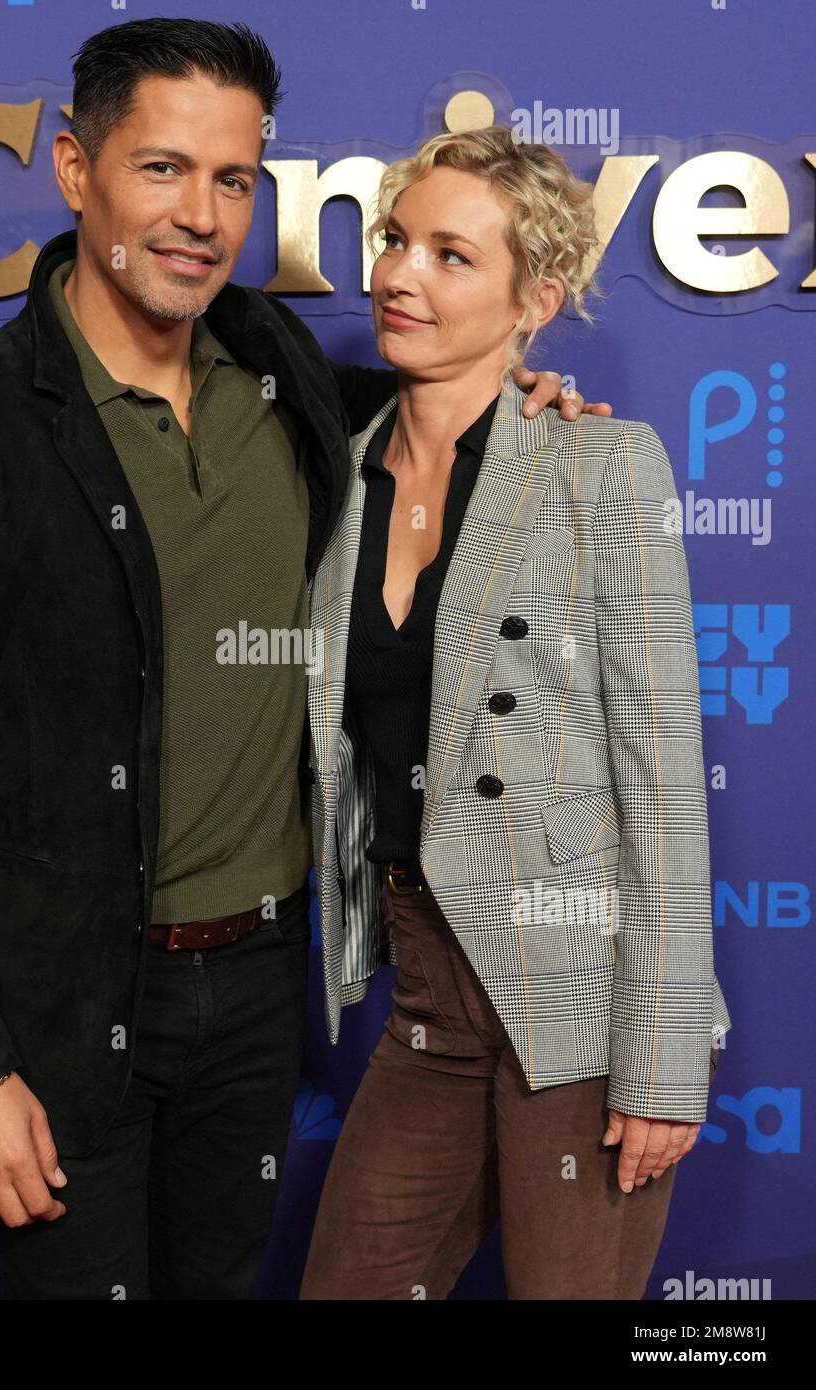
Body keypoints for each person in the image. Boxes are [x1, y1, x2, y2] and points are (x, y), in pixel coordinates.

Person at [0, 21, 607, 1301]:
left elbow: (416, 420)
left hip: (258, 988)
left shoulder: (273, 360)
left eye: (234, 180)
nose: (201, 215)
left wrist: (517, 390)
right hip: (69, 1005)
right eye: (161, 170)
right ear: (76, 170)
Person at [301, 125, 731, 1300]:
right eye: (395, 240)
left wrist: (657, 1064)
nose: (398, 274)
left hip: (581, 1005)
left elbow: (658, 776)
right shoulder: (331, 475)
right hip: (428, 993)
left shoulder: (602, 467)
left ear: (532, 299)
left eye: (450, 256)